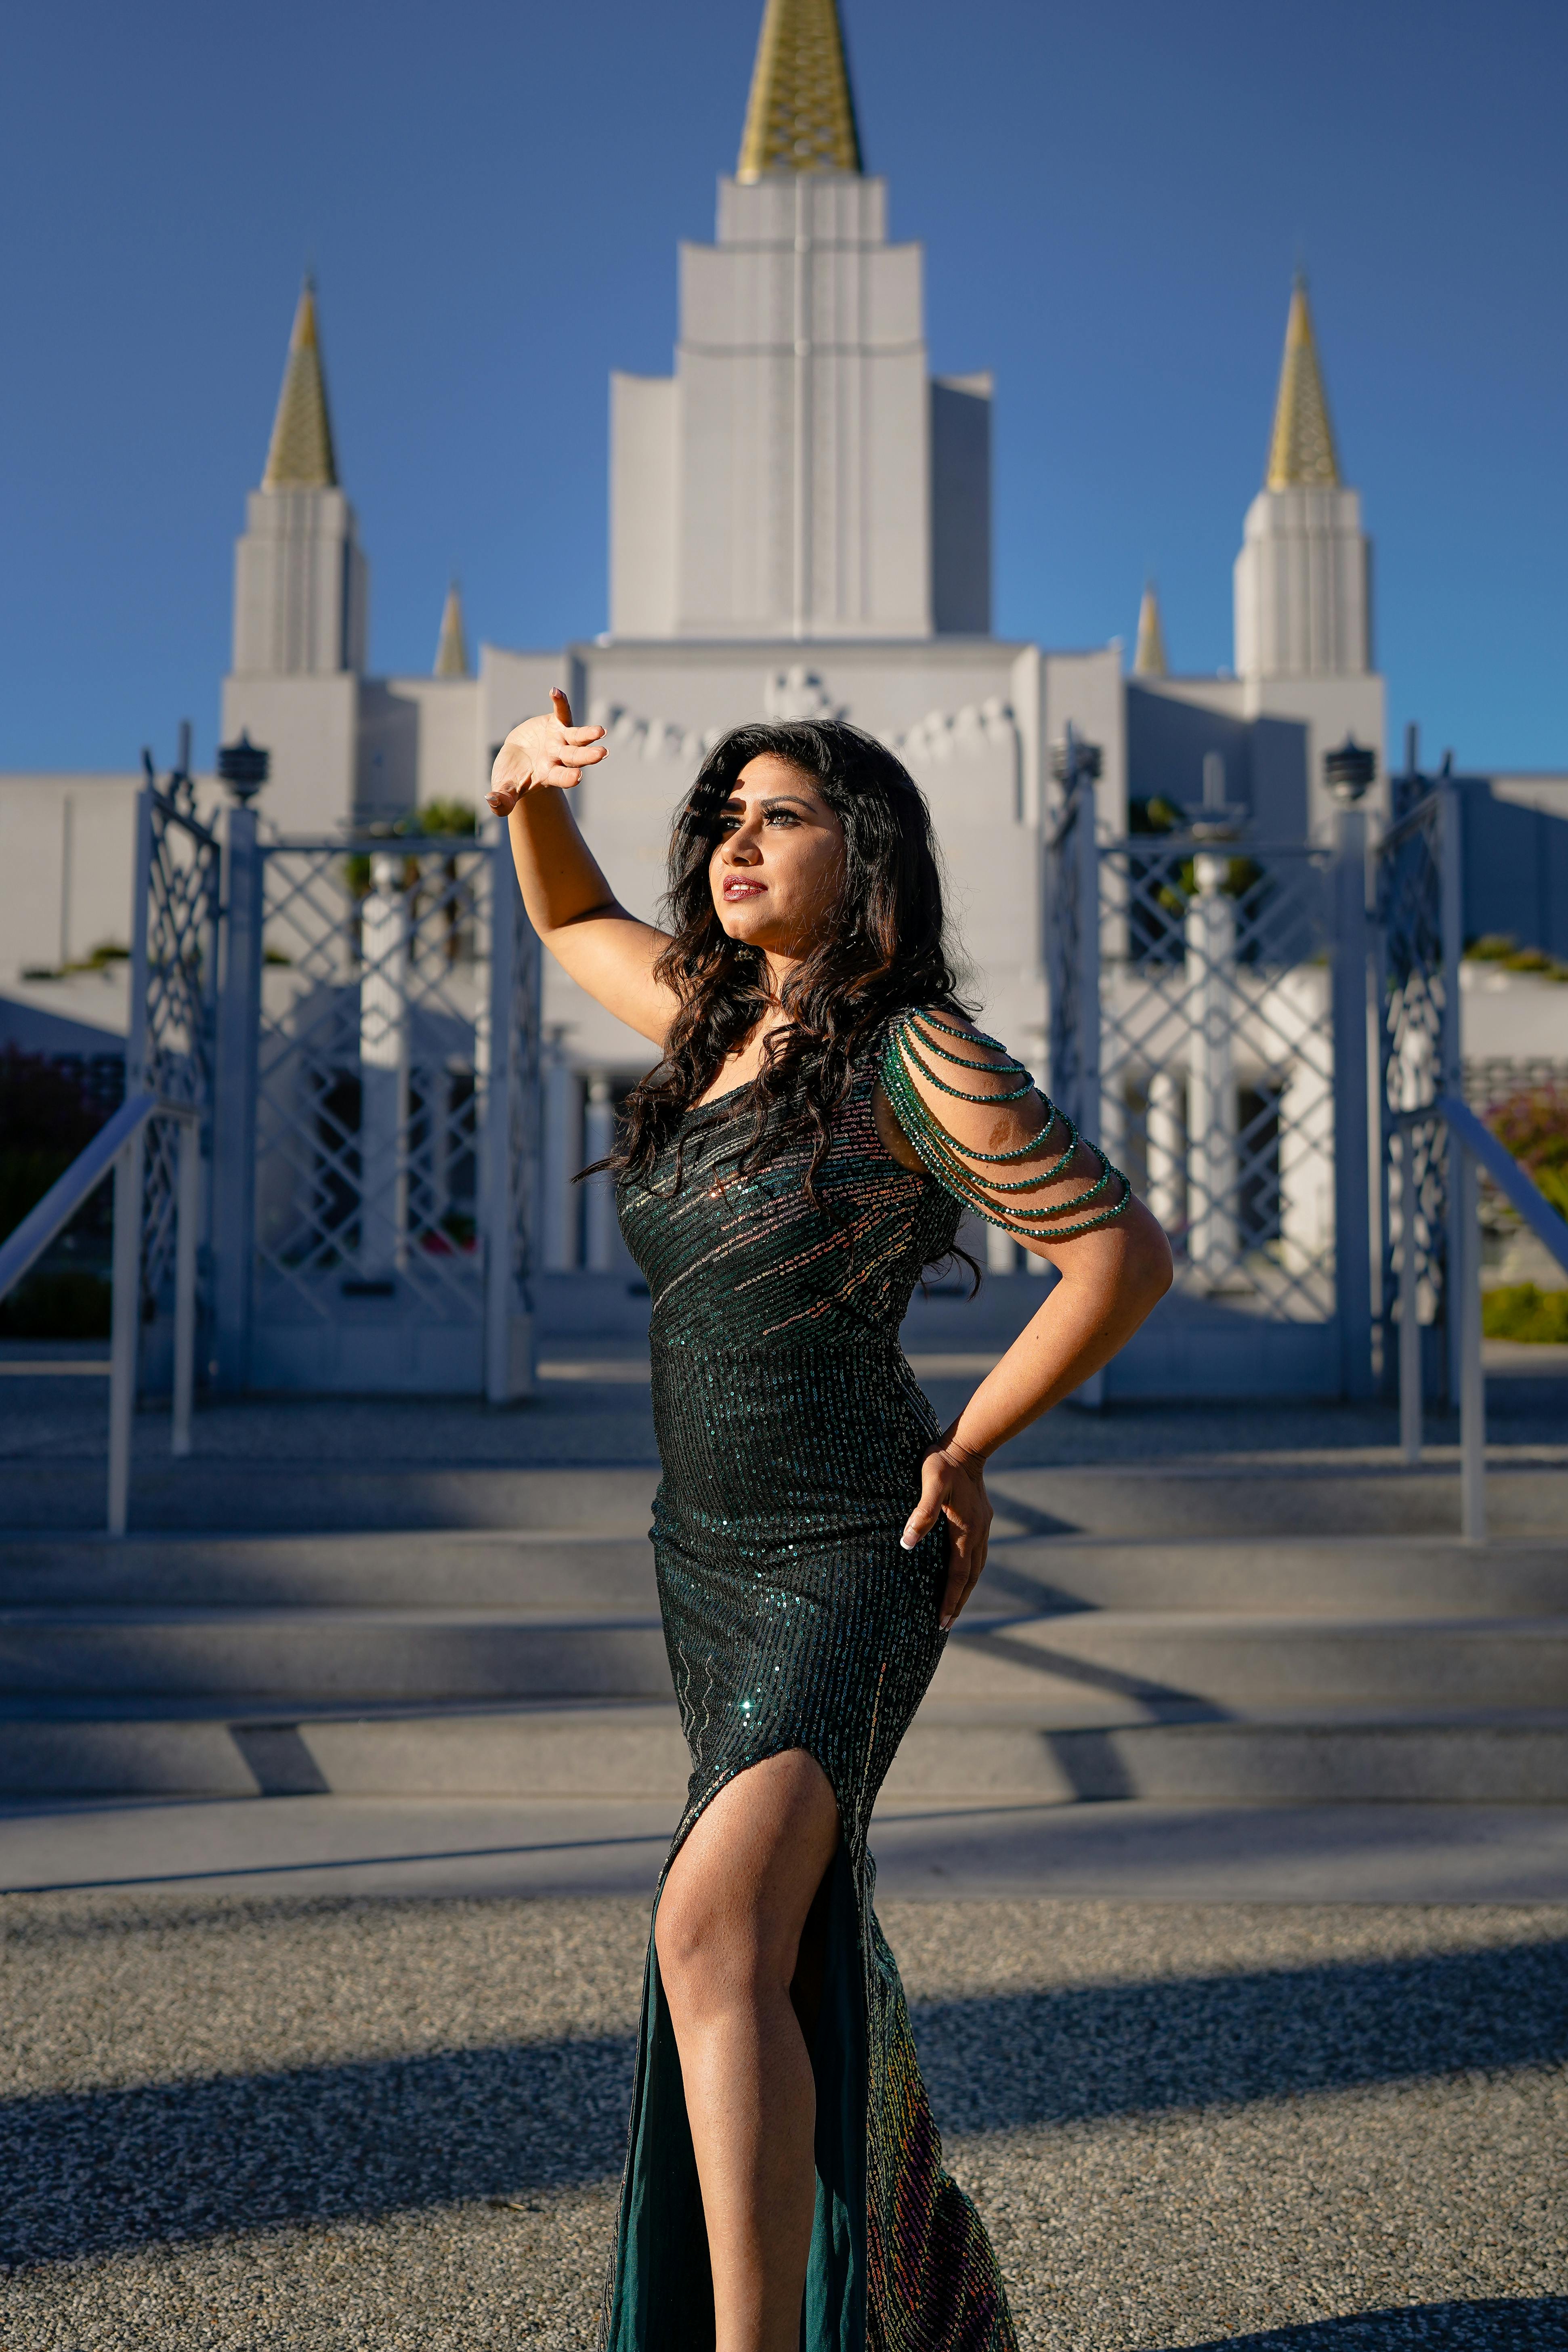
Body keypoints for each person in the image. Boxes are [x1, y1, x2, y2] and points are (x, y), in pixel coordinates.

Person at [487, 694, 1172, 2352]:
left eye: (776, 812)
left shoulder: (912, 1049)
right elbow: (572, 913)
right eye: (721, 808)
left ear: (864, 854)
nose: (732, 835)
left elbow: (1118, 1254)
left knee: (711, 1921)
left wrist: (971, 1447)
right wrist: (516, 794)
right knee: (777, 1944)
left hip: (846, 1548)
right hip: (702, 1558)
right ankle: (902, 2304)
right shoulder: (702, 1012)